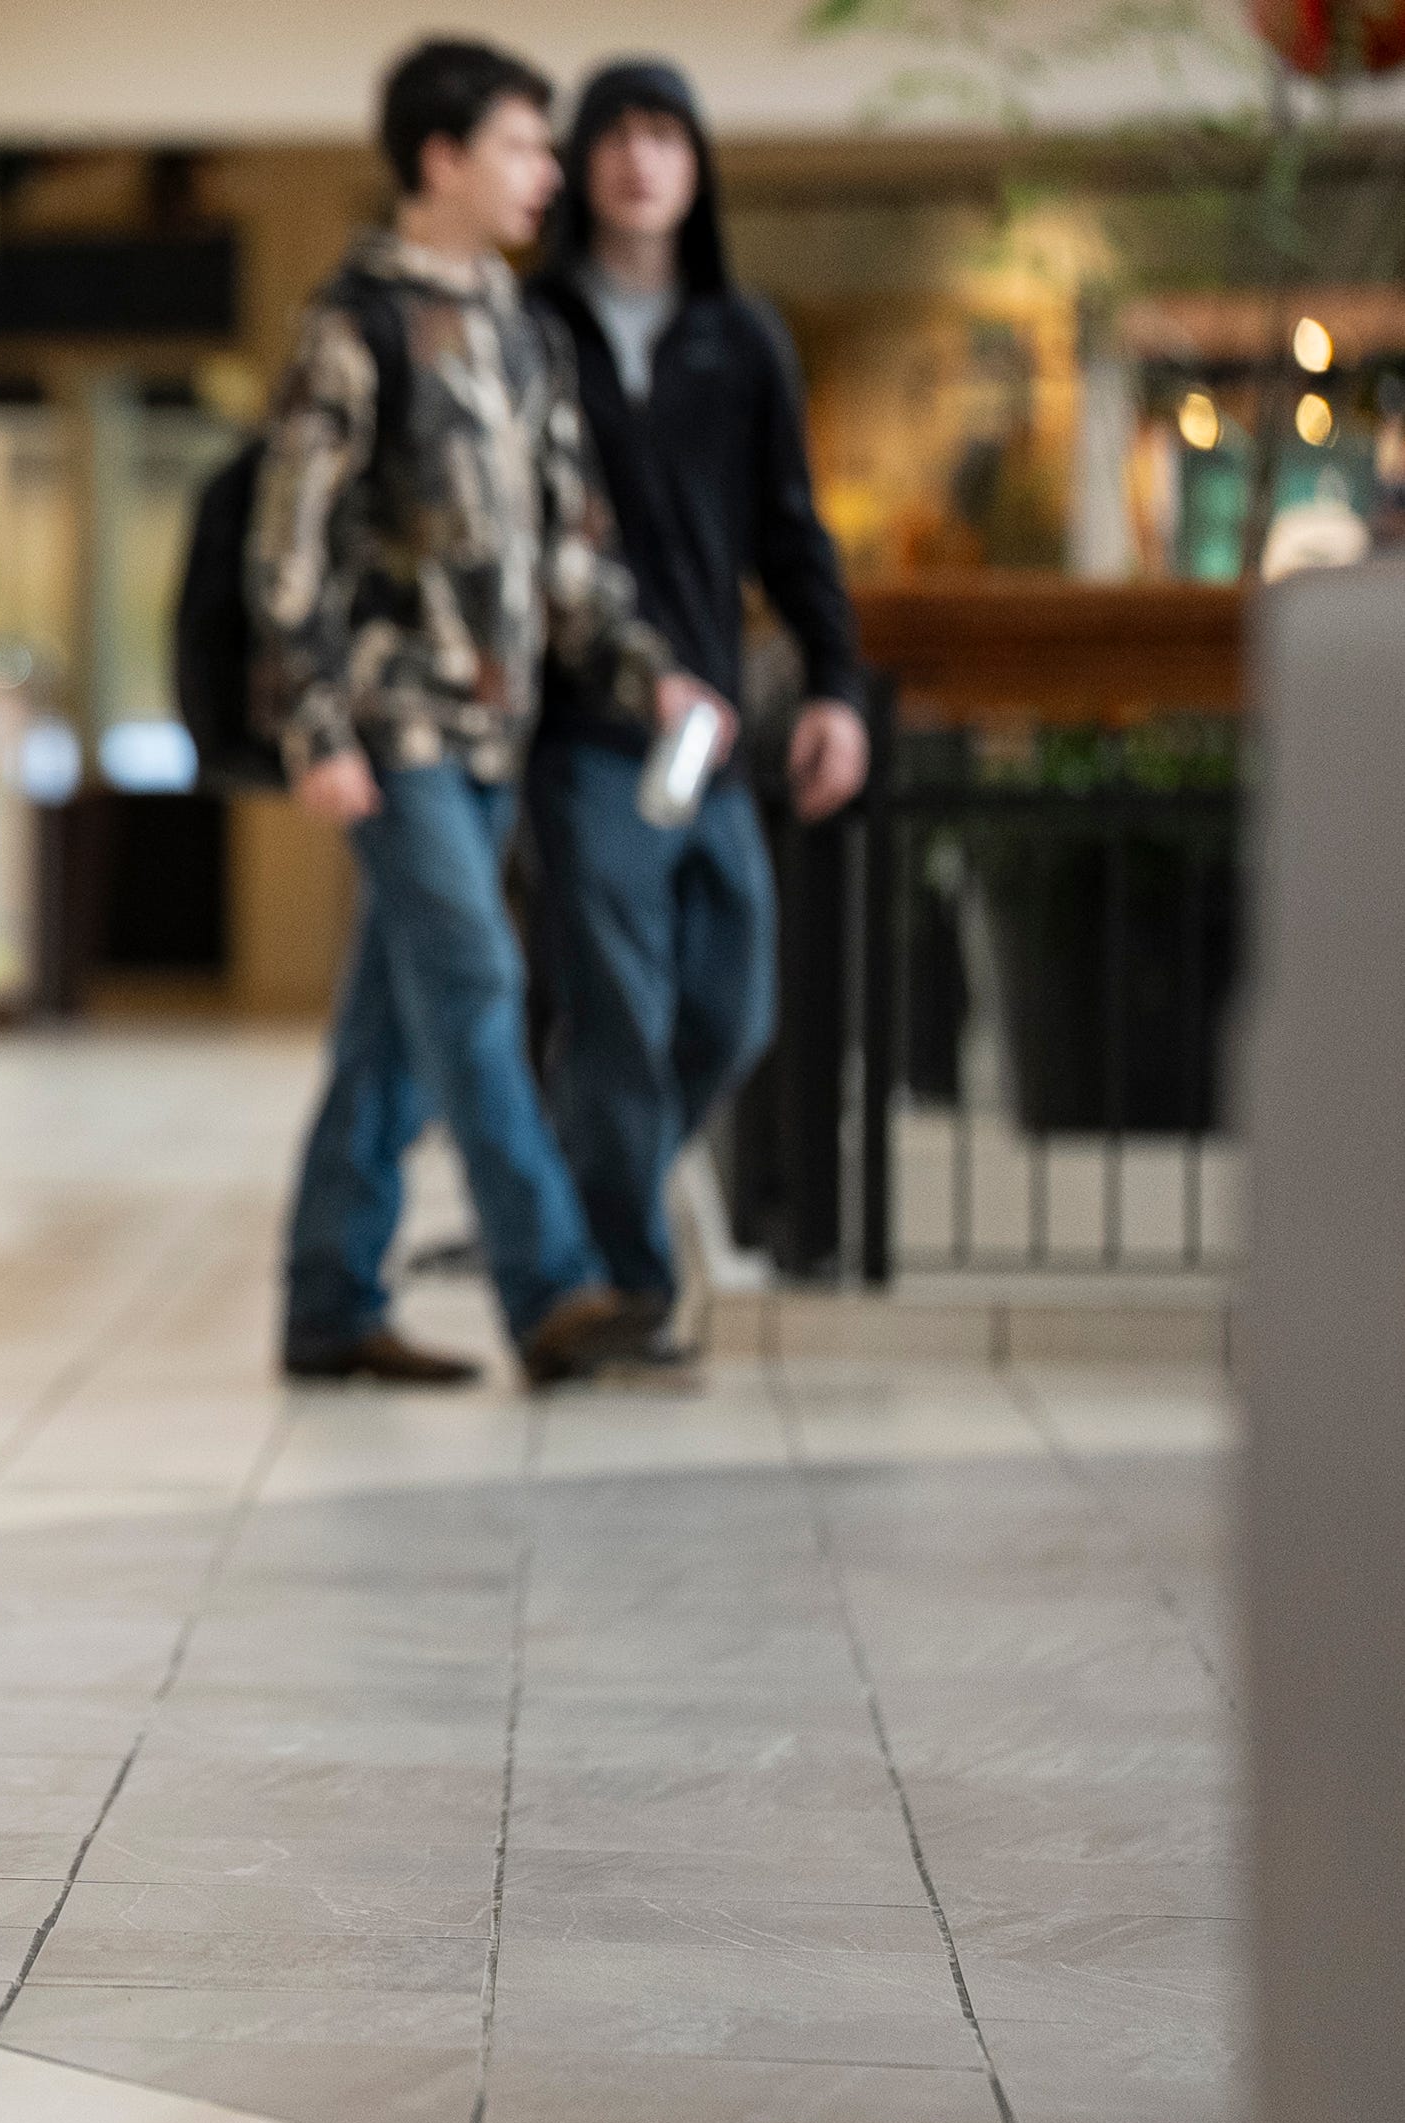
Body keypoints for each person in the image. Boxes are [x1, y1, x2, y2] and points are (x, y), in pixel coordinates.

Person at [257, 38, 725, 1388]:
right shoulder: (354, 324)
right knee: (478, 987)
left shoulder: (525, 338)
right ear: (442, 159)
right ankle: (555, 1291)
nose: (551, 172)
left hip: (493, 739)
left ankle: (327, 1303)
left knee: (390, 1036)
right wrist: (316, 728)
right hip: (394, 733)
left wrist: (656, 675)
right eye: (524, 145)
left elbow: (569, 556)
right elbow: (287, 549)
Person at [526, 60, 869, 1366]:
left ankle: (581, 1189)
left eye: (664, 134)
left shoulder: (743, 335)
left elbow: (793, 529)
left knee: (733, 1006)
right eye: (612, 136)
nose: (638, 159)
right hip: (583, 734)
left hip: (711, 738)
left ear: (696, 164)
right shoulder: (532, 326)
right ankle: (632, 1278)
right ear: (578, 163)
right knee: (617, 1008)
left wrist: (835, 686)